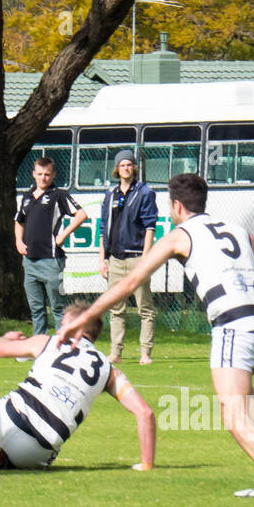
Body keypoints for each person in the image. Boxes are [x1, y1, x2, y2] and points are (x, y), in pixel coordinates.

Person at [60, 173, 254, 498]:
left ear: (175, 205)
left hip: (235, 325)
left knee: (231, 408)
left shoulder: (179, 236)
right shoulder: (236, 230)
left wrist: (86, 316)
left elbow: (130, 283)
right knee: (245, 393)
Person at [0, 302, 155, 475]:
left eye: (64, 324)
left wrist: (8, 337)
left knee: (20, 403)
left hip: (3, 419)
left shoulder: (48, 342)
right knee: (35, 422)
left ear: (74, 327)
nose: (60, 328)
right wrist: (146, 464)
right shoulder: (108, 370)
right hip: (34, 453)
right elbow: (145, 413)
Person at [97, 149, 159, 364]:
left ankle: (145, 353)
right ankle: (116, 352)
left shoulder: (144, 193)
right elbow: (103, 228)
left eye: (129, 164)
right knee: (116, 308)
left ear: (134, 167)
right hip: (115, 259)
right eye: (122, 165)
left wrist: (146, 258)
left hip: (136, 258)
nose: (126, 168)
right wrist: (102, 258)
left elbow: (150, 226)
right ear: (117, 168)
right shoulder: (110, 194)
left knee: (145, 309)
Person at [15, 156, 88, 335]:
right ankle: (39, 346)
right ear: (33, 174)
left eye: (47, 174)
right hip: (30, 261)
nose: (43, 178)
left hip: (51, 260)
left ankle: (63, 345)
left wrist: (63, 234)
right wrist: (18, 241)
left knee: (58, 308)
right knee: (36, 309)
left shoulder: (59, 195)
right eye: (39, 174)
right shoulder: (27, 197)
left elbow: (81, 215)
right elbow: (19, 222)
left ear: (53, 175)